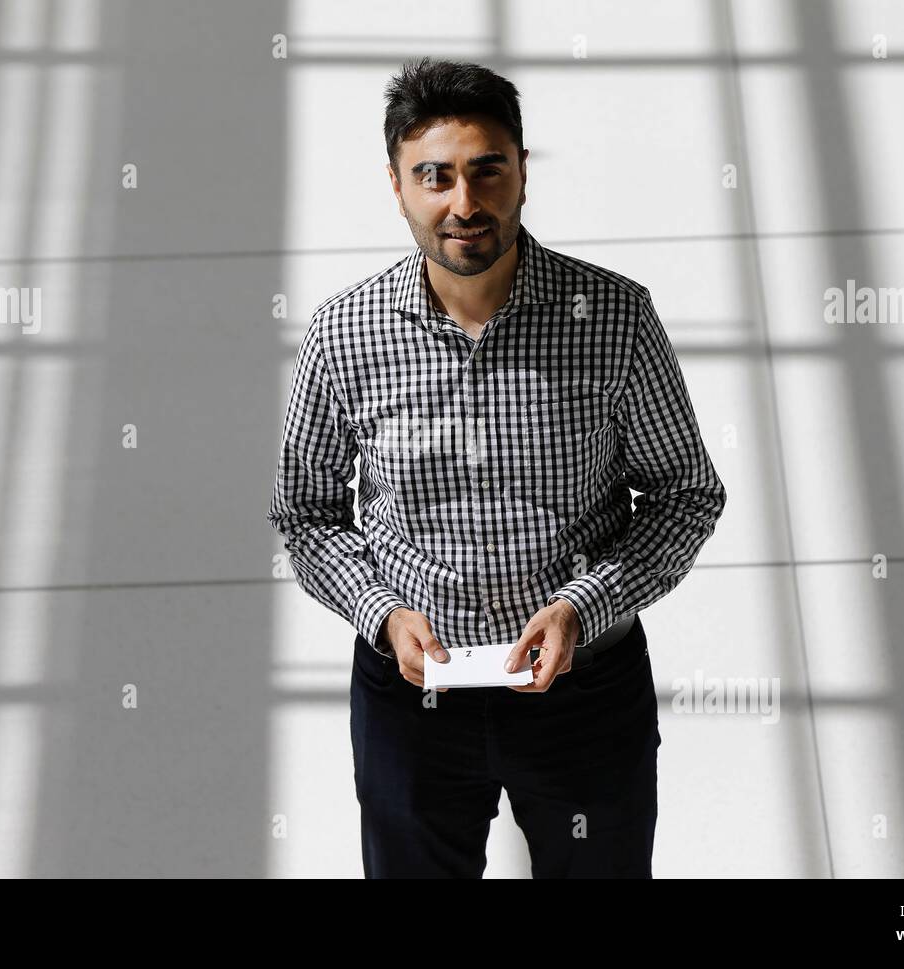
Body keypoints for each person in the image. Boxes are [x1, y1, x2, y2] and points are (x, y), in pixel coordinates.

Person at [267, 57, 727, 877]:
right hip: (412, 703)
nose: (464, 203)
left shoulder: (614, 318)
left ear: (522, 172)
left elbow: (685, 493)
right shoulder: (344, 335)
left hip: (584, 697)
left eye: (487, 171)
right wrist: (379, 611)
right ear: (398, 186)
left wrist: (584, 604)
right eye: (434, 176)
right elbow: (304, 514)